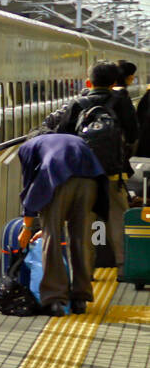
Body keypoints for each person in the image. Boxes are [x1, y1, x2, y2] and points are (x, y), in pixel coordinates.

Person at [43, 60, 136, 267]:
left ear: (88, 82)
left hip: (83, 176)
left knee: (83, 224)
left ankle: (85, 272)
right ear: (114, 83)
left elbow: (62, 135)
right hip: (114, 174)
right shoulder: (122, 102)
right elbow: (132, 134)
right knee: (118, 220)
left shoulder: (78, 103)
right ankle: (124, 268)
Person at [18, 132, 109, 316]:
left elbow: (30, 186)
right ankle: (80, 298)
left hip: (58, 181)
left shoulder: (27, 147)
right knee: (79, 238)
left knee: (52, 237)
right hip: (90, 183)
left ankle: (55, 299)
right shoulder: (71, 139)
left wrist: (27, 227)